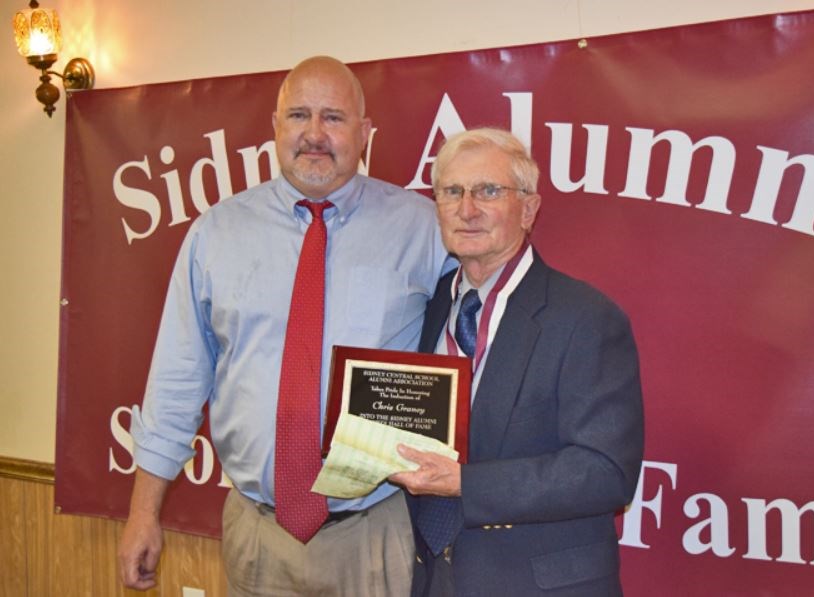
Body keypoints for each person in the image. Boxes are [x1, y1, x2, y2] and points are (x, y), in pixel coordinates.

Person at [117, 56, 449, 596]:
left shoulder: (423, 228)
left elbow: (481, 342)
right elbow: (177, 380)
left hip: (373, 534)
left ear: (365, 134)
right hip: (256, 534)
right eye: (299, 115)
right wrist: (142, 513)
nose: (314, 135)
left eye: (334, 118)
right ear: (275, 127)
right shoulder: (216, 235)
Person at [389, 128, 644, 596]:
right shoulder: (427, 313)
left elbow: (606, 472)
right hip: (430, 578)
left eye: (488, 190)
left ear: (528, 209)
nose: (467, 209)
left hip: (535, 584)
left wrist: (465, 483)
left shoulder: (586, 317)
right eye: (452, 192)